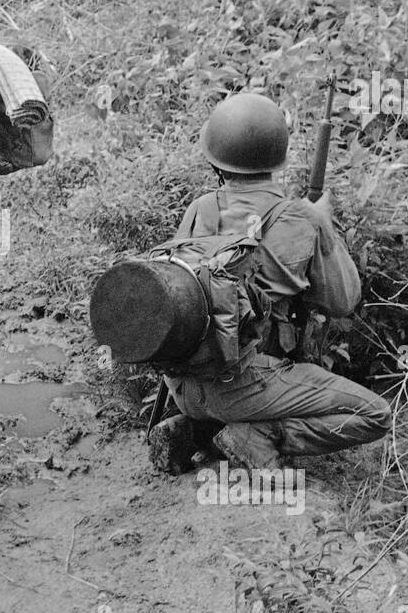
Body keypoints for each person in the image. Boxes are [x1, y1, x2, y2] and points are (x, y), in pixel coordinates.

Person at [150, 92, 391, 473]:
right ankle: (260, 435)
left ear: (216, 156)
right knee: (376, 415)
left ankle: (191, 430)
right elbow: (345, 302)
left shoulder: (200, 208)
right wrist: (323, 225)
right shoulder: (301, 218)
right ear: (279, 156)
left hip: (184, 386)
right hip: (247, 386)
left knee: (223, 387)